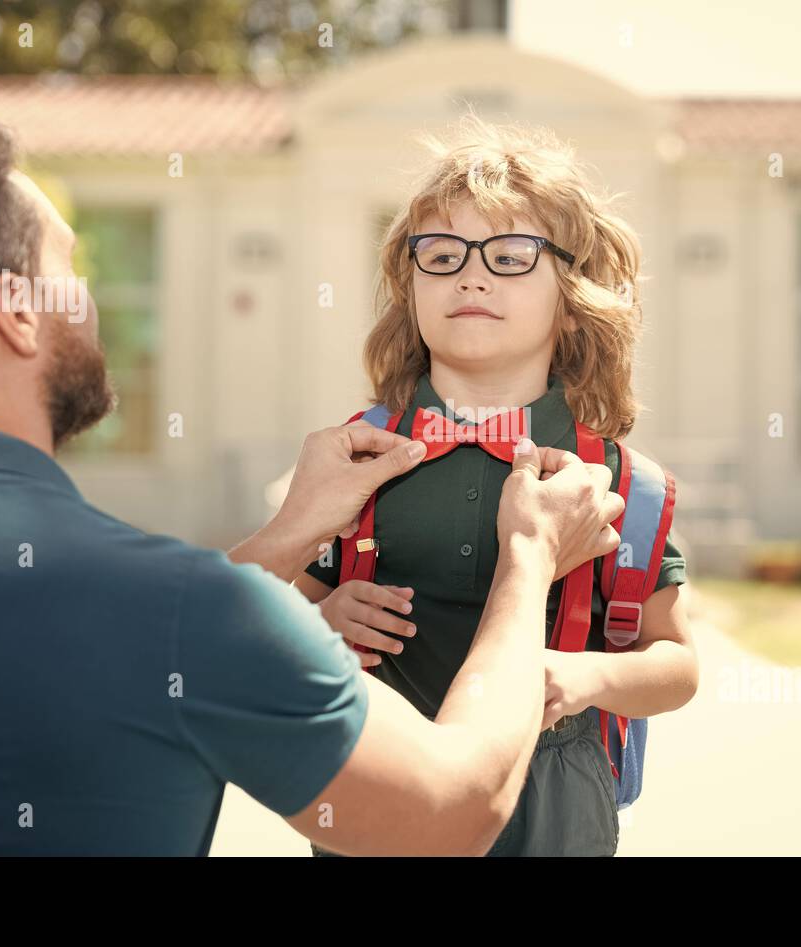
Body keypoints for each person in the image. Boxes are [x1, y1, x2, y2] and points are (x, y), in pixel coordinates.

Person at [0, 109, 624, 856]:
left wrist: (284, 538)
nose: (91, 297)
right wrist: (528, 557)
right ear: (16, 315)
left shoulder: (174, 610)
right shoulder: (183, 609)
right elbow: (450, 812)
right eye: (66, 263)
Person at [296, 116, 700, 856]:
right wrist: (322, 620)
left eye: (511, 256)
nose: (471, 275)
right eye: (440, 255)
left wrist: (585, 676)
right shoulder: (356, 457)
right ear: (409, 289)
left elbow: (676, 662)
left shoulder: (613, 478)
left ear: (571, 299)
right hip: (382, 766)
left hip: (553, 789)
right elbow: (273, 613)